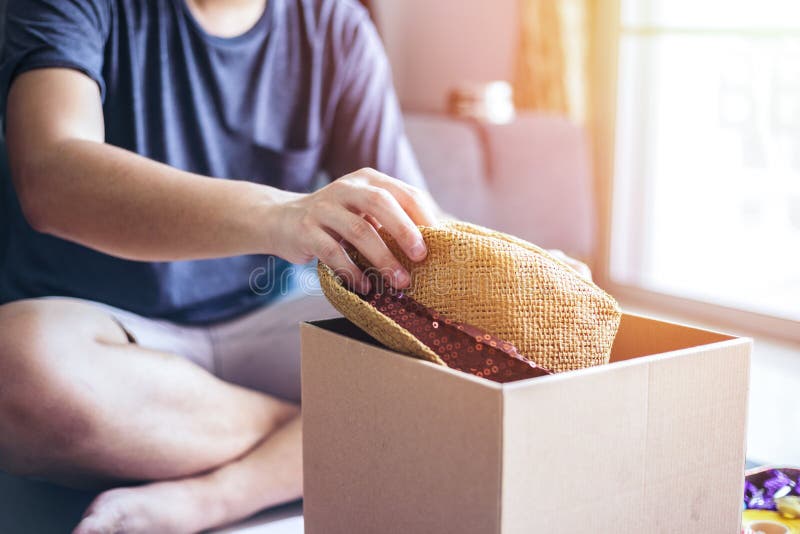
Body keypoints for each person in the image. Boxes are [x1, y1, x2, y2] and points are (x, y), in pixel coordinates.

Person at [0, 0, 440, 532]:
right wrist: (279, 215)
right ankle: (320, 435)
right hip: (105, 334)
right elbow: (50, 175)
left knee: (438, 338)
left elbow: (417, 237)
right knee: (12, 365)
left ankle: (224, 493)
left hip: (260, 323)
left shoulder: (335, 24)